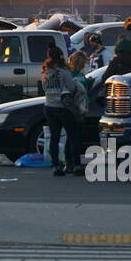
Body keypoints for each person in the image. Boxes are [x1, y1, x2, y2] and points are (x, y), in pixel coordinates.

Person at [41, 46, 79, 175]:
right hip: (63, 106)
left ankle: (56, 165)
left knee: (54, 137)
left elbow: (44, 87)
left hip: (49, 105)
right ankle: (76, 165)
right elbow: (71, 87)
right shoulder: (63, 71)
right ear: (61, 56)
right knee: (72, 135)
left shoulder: (46, 71)